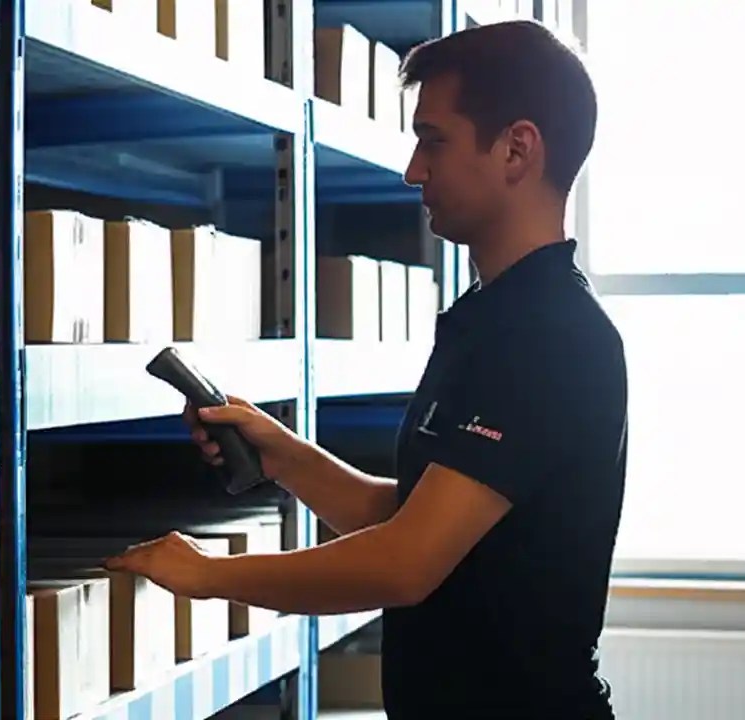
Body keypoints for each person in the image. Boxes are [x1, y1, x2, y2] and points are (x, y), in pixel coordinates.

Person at [106, 18, 628, 720]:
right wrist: (283, 455)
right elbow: (414, 514)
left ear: (517, 149)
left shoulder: (550, 334)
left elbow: (405, 563)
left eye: (433, 140)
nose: (414, 169)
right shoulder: (490, 317)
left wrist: (210, 575)